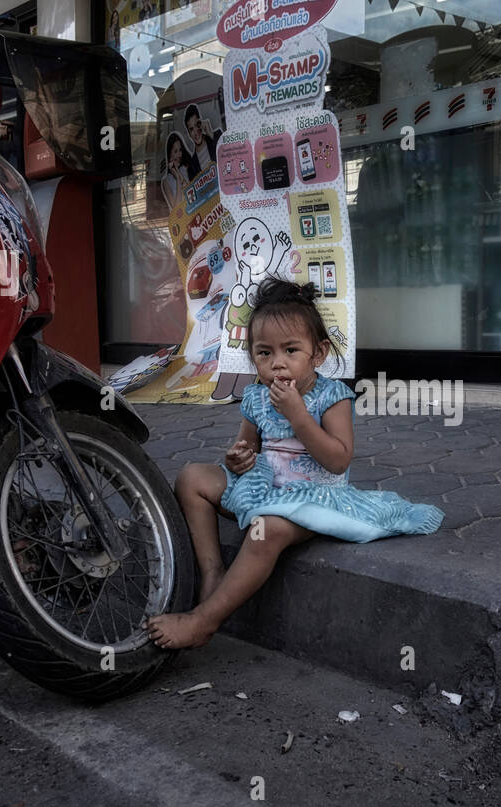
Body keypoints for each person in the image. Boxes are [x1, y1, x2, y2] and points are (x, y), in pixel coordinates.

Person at [144, 277, 444, 649]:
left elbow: (338, 460)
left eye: (290, 351)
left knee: (266, 530)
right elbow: (246, 446)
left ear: (316, 355)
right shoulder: (255, 396)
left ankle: (205, 621)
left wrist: (299, 415)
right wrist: (237, 458)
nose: (277, 364)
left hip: (312, 500)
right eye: (264, 353)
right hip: (264, 486)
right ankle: (212, 572)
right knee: (190, 478)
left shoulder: (332, 397)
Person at [184, 103, 221, 176]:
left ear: (200, 123)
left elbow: (228, 155)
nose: (195, 132)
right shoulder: (192, 167)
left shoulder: (218, 136)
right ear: (189, 134)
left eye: (196, 125)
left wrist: (211, 135)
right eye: (191, 129)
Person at [161, 133, 192, 211]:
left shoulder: (186, 169)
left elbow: (191, 196)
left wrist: (179, 173)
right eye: (175, 151)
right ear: (170, 155)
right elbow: (177, 209)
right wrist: (178, 179)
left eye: (180, 150)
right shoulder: (166, 182)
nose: (179, 155)